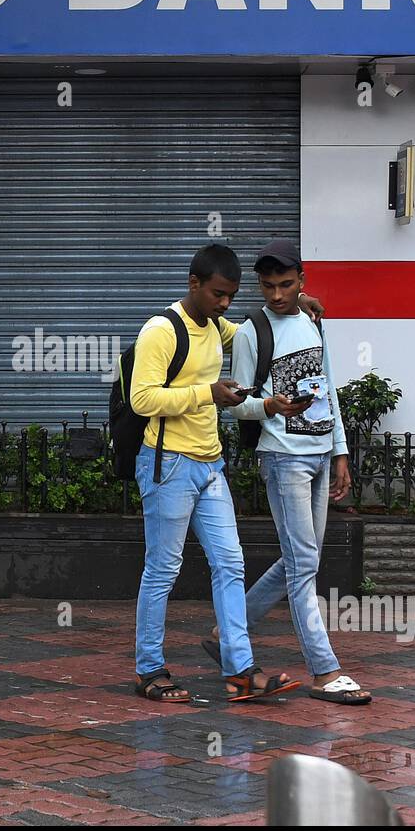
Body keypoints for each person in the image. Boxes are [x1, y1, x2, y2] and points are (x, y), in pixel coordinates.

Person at [130, 243, 305, 703]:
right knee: (163, 570)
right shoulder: (161, 331)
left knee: (230, 563)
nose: (225, 303)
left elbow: (252, 333)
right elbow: (142, 400)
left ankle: (240, 670)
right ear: (194, 284)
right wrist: (206, 393)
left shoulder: (216, 325)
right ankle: (150, 670)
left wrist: (294, 305)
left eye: (231, 295)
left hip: (210, 465)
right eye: (218, 294)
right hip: (167, 464)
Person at [222, 240, 371, 704]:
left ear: (302, 282)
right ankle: (325, 671)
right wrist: (268, 404)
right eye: (268, 286)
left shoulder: (313, 322)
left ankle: (233, 625)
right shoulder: (252, 332)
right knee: (304, 564)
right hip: (282, 456)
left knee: (298, 559)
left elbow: (330, 391)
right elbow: (239, 405)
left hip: (321, 454)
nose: (277, 294)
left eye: (286, 285)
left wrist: (340, 452)